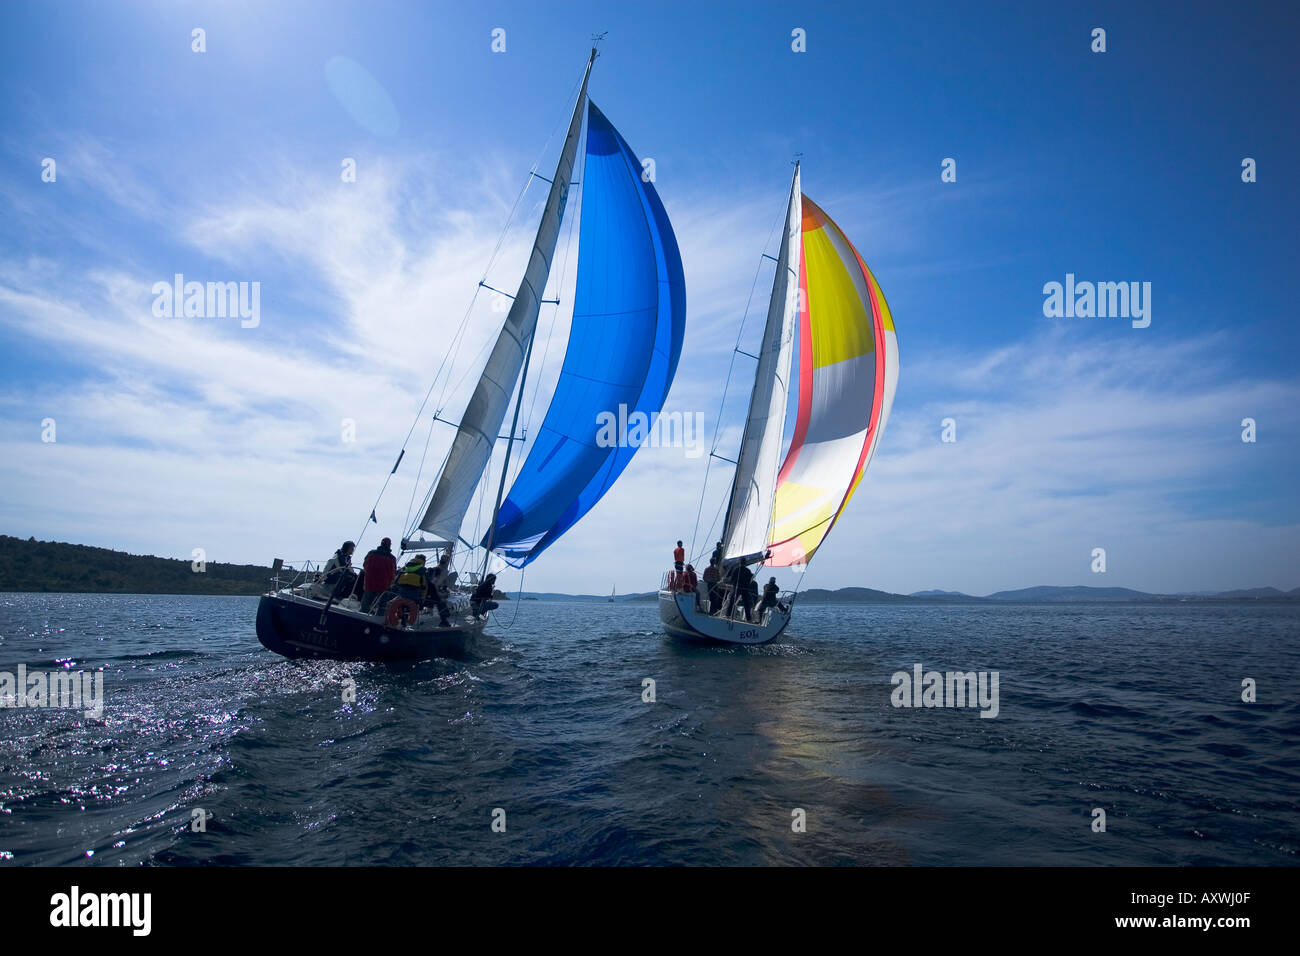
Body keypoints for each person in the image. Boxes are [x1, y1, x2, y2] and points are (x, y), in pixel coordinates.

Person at [359, 537, 398, 614]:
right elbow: (393, 573)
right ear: (389, 545)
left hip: (370, 582)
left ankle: (362, 614)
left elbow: (365, 565)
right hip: (383, 584)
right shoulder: (392, 558)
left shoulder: (371, 553)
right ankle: (378, 617)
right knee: (382, 604)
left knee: (366, 602)